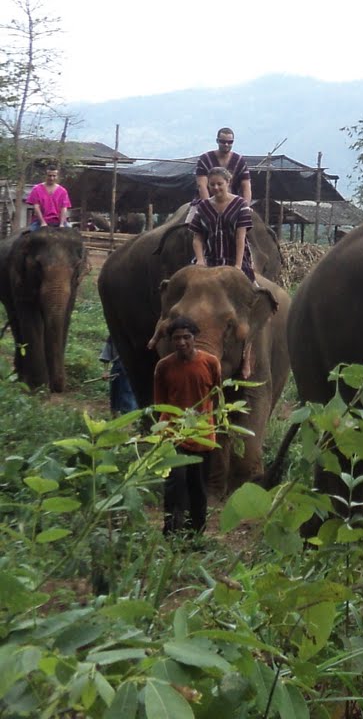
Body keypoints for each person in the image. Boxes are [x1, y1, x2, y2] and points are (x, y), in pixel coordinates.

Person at [152, 314, 223, 536]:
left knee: (198, 487)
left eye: (186, 337)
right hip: (175, 433)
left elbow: (216, 394)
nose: (181, 342)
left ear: (194, 338)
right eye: (176, 338)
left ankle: (196, 534)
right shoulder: (164, 366)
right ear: (171, 341)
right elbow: (160, 402)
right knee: (175, 483)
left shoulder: (210, 363)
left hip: (203, 434)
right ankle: (172, 530)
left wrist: (217, 421)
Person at [187, 166, 255, 280]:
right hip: (210, 261)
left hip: (234, 260)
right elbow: (197, 237)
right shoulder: (203, 206)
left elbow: (240, 237)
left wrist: (238, 266)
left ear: (228, 182)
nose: (216, 187)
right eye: (212, 184)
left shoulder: (240, 205)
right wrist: (200, 260)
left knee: (252, 292)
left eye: (220, 184)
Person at [194, 128, 252, 205]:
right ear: (217, 141)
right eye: (223, 142)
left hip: (233, 204)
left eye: (230, 142)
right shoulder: (204, 159)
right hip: (205, 202)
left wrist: (246, 206)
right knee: (192, 217)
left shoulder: (240, 161)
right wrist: (208, 206)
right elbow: (202, 185)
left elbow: (246, 186)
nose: (226, 144)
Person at [99, 338, 137, 415]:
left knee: (129, 395)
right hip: (117, 368)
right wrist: (105, 372)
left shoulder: (135, 333)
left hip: (132, 368)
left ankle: (129, 419)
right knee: (115, 395)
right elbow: (107, 353)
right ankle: (114, 419)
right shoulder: (112, 336)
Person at [25, 165, 71, 229]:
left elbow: (64, 208)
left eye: (54, 176)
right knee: (28, 234)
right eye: (49, 175)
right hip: (40, 221)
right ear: (45, 176)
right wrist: (42, 222)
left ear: (57, 176)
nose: (52, 178)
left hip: (58, 221)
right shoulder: (36, 189)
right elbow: (36, 207)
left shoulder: (63, 191)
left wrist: (62, 224)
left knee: (72, 235)